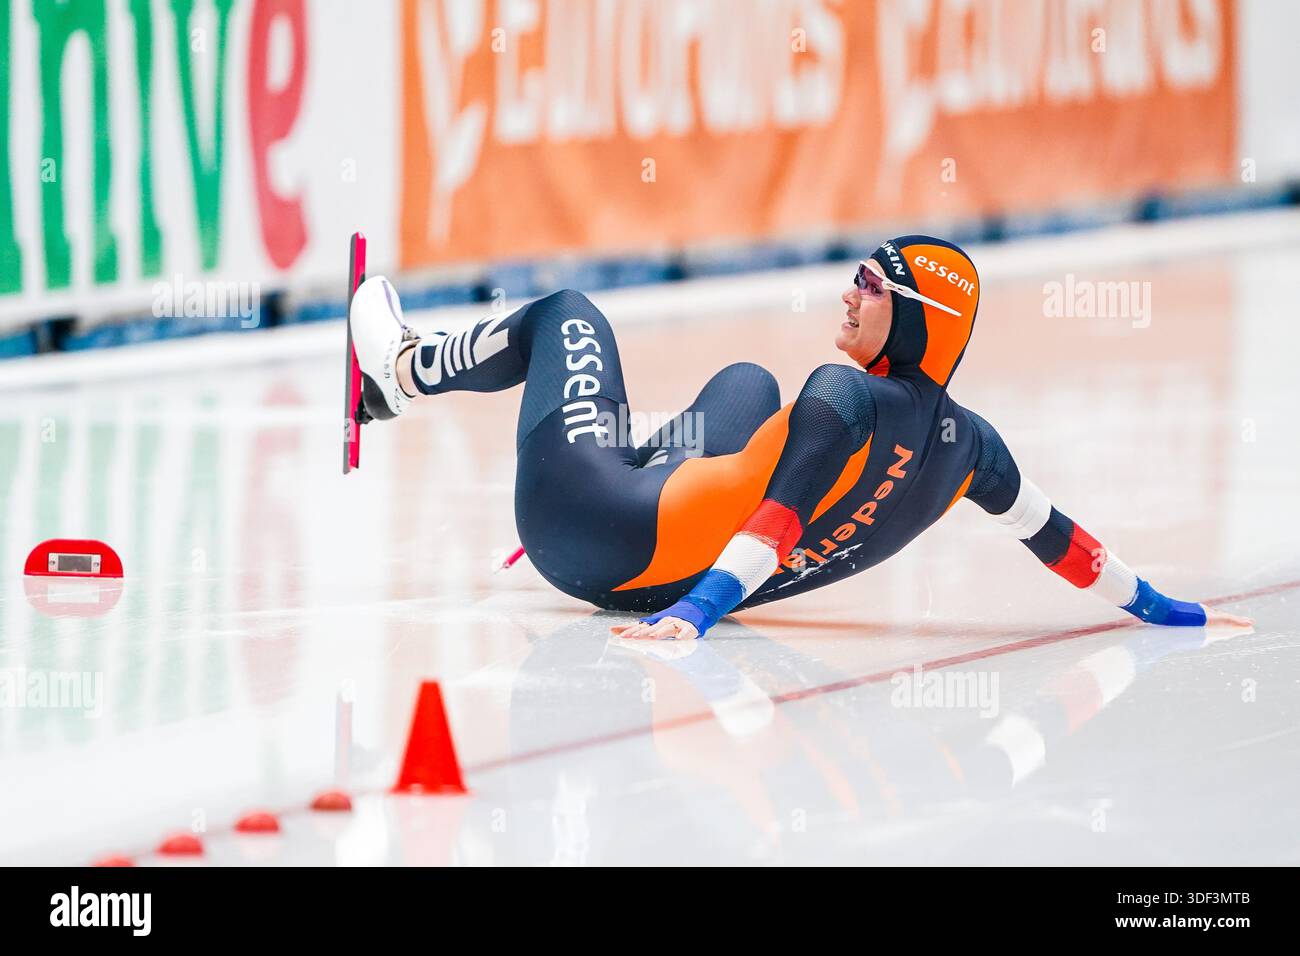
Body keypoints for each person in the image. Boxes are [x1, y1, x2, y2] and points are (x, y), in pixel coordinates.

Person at [348, 235, 1251, 640]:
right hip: (643, 552)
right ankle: (603, 455)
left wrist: (693, 617)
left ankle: (399, 372)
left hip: (592, 532)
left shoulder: (841, 396)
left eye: (872, 283)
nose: (850, 292)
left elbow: (779, 520)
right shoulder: (970, 445)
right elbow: (1060, 541)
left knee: (566, 312)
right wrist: (1161, 607)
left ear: (913, 319)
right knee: (746, 385)